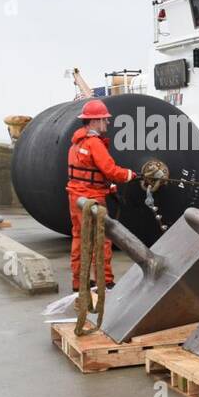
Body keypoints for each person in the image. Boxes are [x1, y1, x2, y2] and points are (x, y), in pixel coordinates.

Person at [65, 98, 138, 291]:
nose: (107, 123)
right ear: (94, 121)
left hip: (75, 197)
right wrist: (130, 175)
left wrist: (108, 187)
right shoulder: (94, 143)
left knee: (79, 238)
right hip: (92, 199)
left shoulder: (75, 143)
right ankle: (104, 281)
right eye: (105, 120)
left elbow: (86, 173)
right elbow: (110, 170)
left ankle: (78, 281)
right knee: (102, 239)